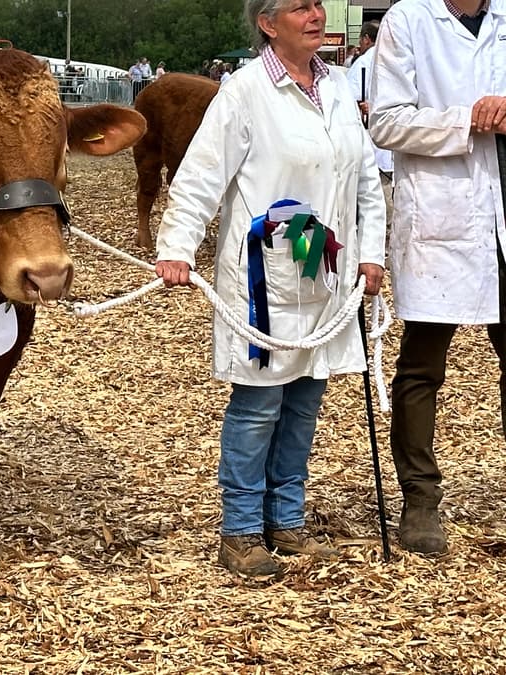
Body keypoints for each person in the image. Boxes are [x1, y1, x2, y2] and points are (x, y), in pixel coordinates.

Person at [155, 0, 386, 577]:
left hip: (325, 274)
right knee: (259, 403)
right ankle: (239, 532)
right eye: (301, 6)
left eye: (318, 5)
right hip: (266, 276)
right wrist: (177, 246)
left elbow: (363, 181)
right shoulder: (244, 92)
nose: (316, 14)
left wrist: (372, 254)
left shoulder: (337, 88)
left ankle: (286, 520)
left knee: (305, 399)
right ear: (267, 22)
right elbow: (202, 175)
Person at [368, 0, 506, 555]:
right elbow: (386, 122)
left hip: (501, 212)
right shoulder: (409, 20)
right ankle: (419, 498)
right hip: (442, 215)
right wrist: (466, 117)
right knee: (422, 366)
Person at [346, 21, 392, 180]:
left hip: (373, 149)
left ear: (366, 39)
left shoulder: (363, 63)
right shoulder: (396, 57)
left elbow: (349, 101)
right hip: (398, 152)